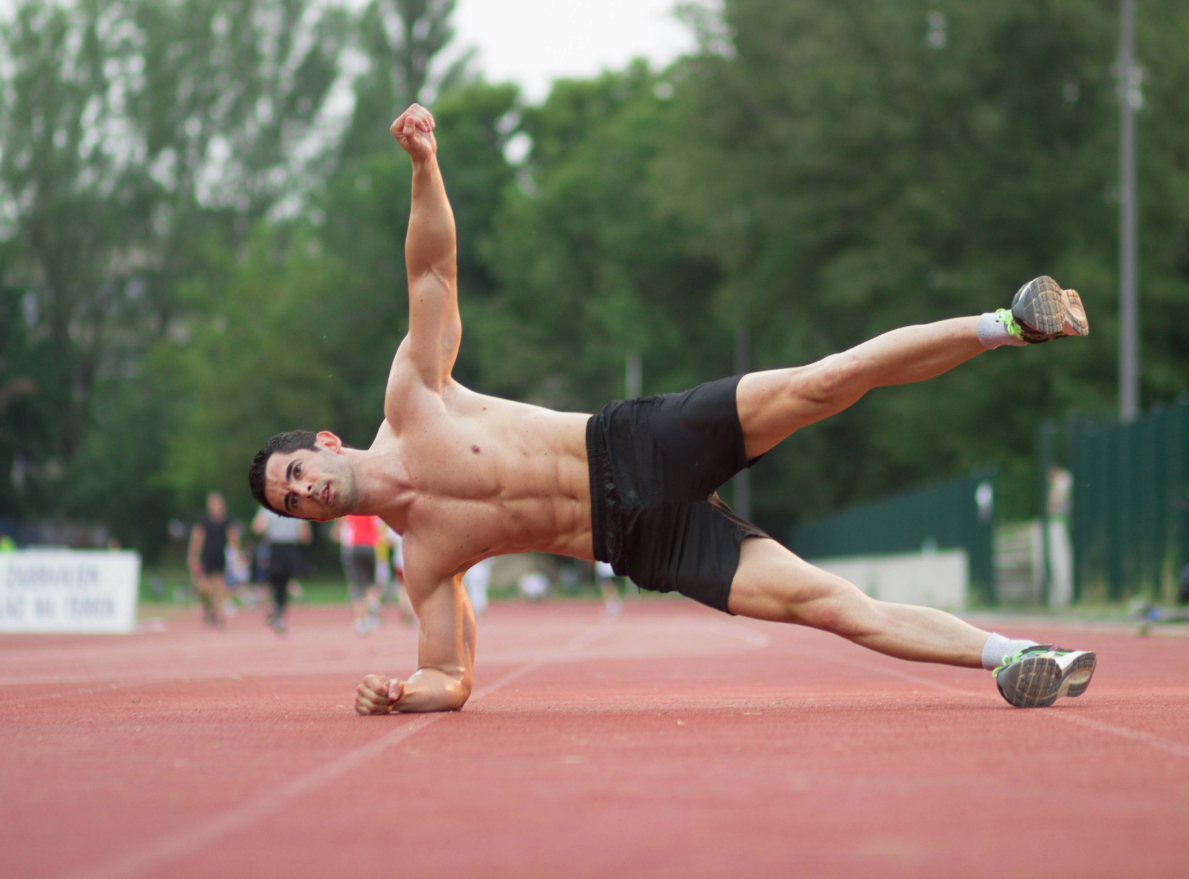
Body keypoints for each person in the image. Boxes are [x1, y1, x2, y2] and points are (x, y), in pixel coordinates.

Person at [248, 104, 1097, 715]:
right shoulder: (421, 565)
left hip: (633, 447)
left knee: (822, 382)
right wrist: (403, 694)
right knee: (831, 607)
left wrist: (425, 165)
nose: (304, 493)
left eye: (296, 474)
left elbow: (431, 272)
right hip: (641, 541)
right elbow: (451, 677)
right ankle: (1020, 656)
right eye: (291, 502)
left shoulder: (411, 398)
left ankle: (1011, 321)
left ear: (323, 444)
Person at [251, 505, 313, 634]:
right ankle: (276, 614)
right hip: (285, 548)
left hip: (276, 548)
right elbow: (305, 535)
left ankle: (274, 613)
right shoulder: (295, 506)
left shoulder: (269, 506)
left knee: (275, 583)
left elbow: (257, 527)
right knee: (281, 583)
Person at [187, 492, 241, 628]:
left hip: (220, 558)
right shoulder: (203, 520)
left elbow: (233, 538)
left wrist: (237, 555)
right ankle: (209, 608)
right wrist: (193, 557)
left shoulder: (227, 520)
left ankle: (220, 615)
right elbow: (196, 539)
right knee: (204, 589)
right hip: (206, 558)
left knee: (219, 587)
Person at [332, 514, 384, 635]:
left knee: (356, 585)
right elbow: (380, 530)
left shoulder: (349, 513)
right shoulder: (373, 512)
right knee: (370, 583)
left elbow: (336, 533)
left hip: (355, 548)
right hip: (371, 547)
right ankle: (372, 606)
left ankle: (360, 621)